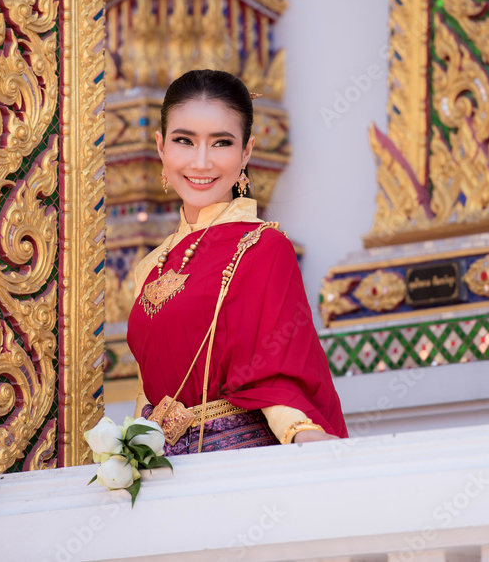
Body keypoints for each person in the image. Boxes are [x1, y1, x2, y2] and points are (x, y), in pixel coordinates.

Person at [126, 69, 348, 455]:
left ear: (246, 151)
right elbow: (148, 390)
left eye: (221, 143)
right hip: (163, 469)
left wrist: (301, 431)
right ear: (161, 146)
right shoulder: (148, 267)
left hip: (235, 463)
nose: (201, 162)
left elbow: (276, 372)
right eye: (184, 141)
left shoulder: (263, 246)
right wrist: (131, 455)